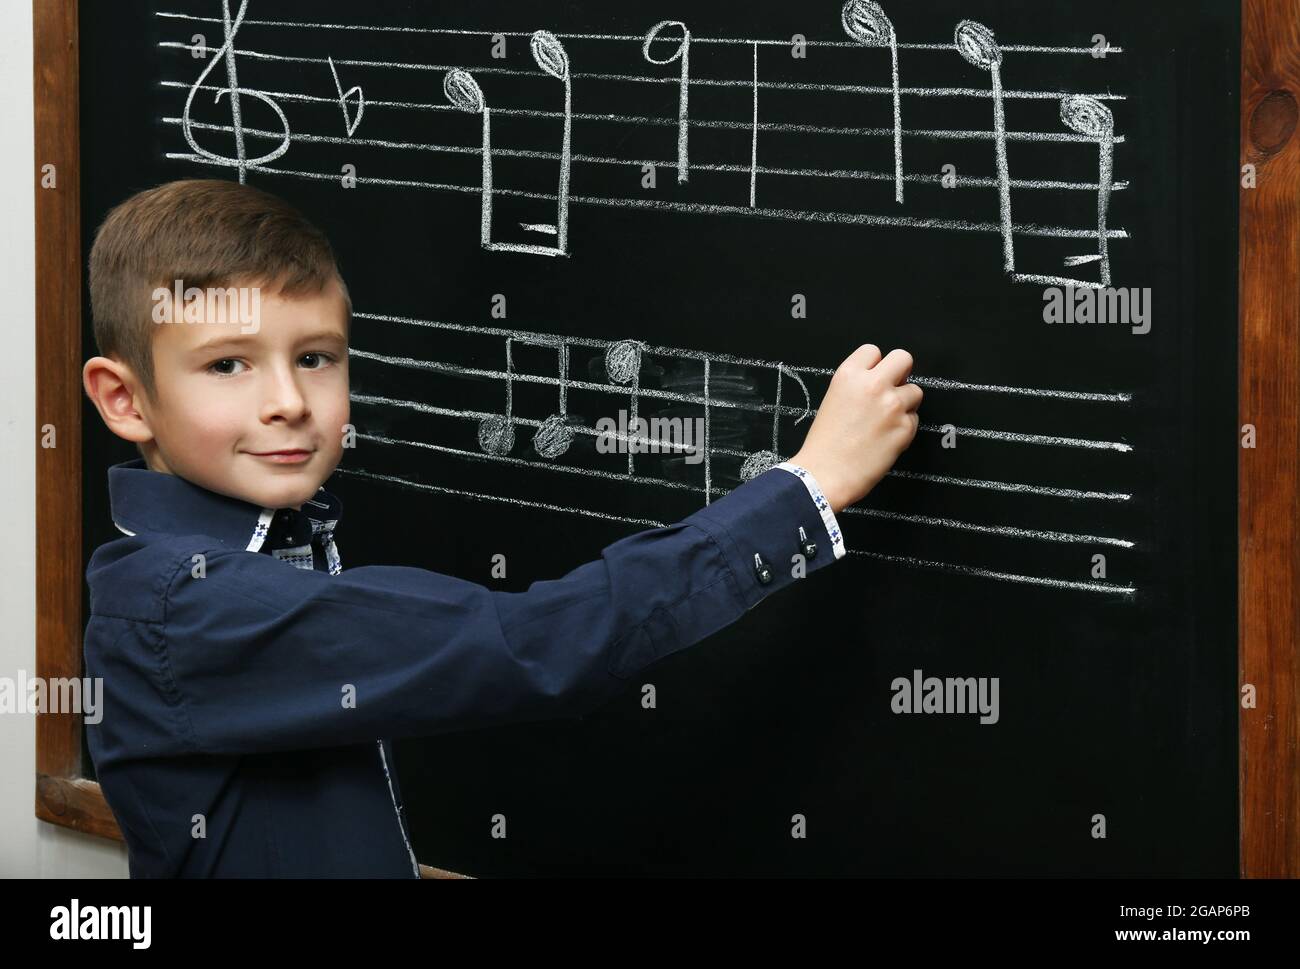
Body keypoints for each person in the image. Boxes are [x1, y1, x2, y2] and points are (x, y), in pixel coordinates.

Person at [80, 179, 922, 876]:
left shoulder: (279, 541)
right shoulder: (186, 609)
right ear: (124, 398)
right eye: (228, 364)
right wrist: (803, 489)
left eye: (316, 356)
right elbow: (528, 644)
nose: (289, 400)